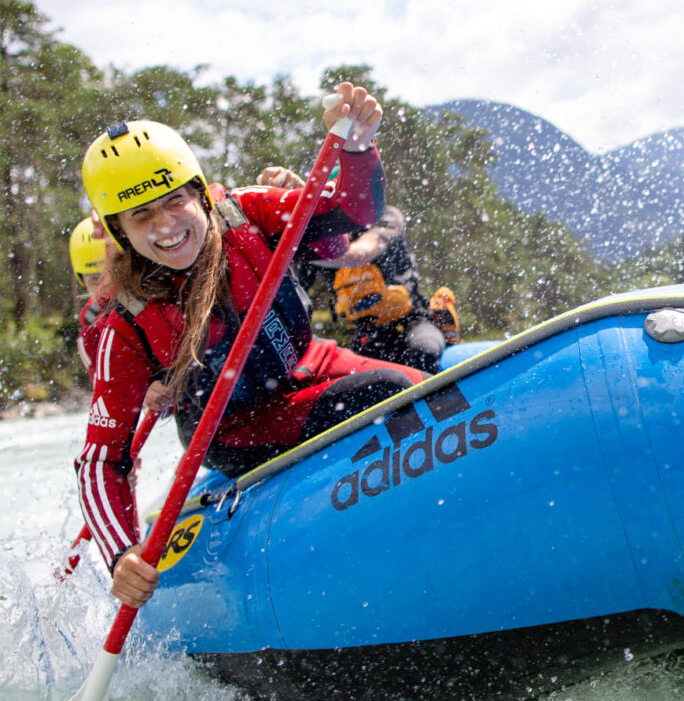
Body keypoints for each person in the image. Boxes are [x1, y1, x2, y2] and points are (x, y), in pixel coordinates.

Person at [77, 85, 428, 609]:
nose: (167, 226)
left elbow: (347, 215)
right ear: (120, 232)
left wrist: (357, 148)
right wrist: (121, 553)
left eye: (175, 201)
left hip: (311, 363)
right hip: (235, 426)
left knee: (433, 393)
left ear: (198, 192)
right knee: (389, 392)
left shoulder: (247, 213)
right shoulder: (120, 324)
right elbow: (102, 461)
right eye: (142, 216)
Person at [68, 215, 110, 377]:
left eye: (110, 275)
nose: (104, 285)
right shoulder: (90, 335)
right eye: (94, 278)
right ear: (82, 279)